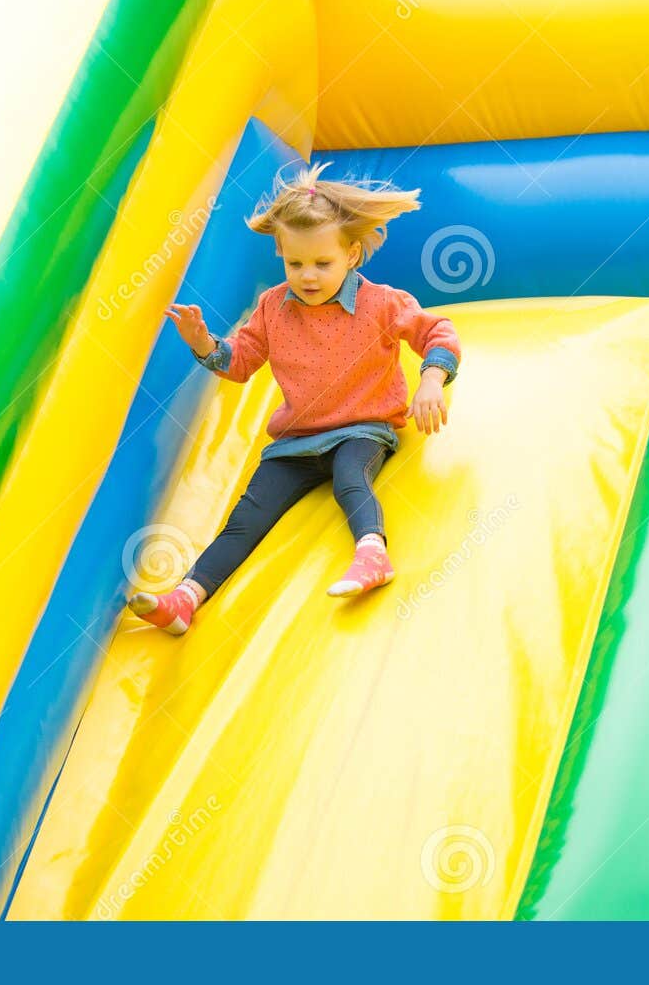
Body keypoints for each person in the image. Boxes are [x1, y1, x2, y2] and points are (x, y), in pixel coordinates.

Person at [128, 162, 461, 636]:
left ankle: (372, 554)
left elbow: (438, 333)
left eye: (322, 263)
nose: (307, 276)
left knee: (351, 478)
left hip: (362, 427)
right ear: (281, 251)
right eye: (295, 263)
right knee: (245, 519)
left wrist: (431, 379)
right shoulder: (272, 308)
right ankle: (185, 598)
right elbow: (239, 363)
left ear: (351, 253)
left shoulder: (382, 303)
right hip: (296, 441)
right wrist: (203, 343)